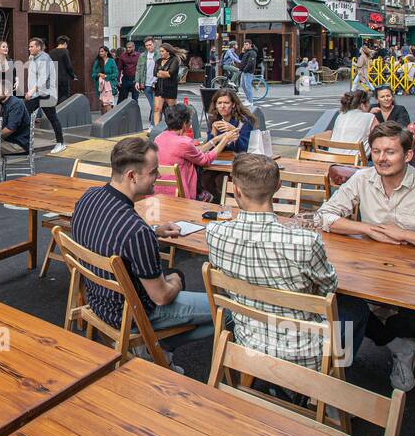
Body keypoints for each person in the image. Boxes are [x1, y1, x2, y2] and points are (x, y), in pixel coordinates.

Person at [316, 121, 415, 390]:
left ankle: (397, 343)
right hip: (372, 271)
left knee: (413, 320)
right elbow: (324, 216)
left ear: (408, 155)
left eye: (390, 152)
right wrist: (367, 228)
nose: (381, 158)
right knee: (342, 304)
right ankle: (395, 351)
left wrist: (404, 234)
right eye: (376, 151)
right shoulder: (363, 178)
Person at [205, 153, 368, 370]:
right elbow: (328, 289)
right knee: (356, 309)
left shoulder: (214, 233)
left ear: (236, 189)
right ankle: (332, 379)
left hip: (247, 340)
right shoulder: (305, 242)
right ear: (278, 186)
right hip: (304, 351)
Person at [69, 136, 211, 367]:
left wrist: (154, 230)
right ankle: (155, 347)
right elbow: (161, 296)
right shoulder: (136, 232)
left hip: (98, 301)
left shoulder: (88, 197)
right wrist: (175, 280)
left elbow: (109, 234)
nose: (159, 177)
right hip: (132, 313)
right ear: (132, 176)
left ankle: (155, 345)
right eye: (154, 172)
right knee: (226, 310)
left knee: (177, 279)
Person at [153, 102, 229, 201]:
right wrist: (225, 140)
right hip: (180, 193)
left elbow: (194, 151)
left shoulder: (159, 138)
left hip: (158, 191)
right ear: (185, 124)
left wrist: (215, 140)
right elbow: (205, 160)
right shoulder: (184, 143)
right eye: (190, 120)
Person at [24, 37, 66, 153]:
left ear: (38, 47)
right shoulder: (35, 58)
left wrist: (31, 91)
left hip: (46, 94)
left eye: (31, 46)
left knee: (52, 118)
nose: (29, 48)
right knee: (25, 113)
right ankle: (25, 142)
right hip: (38, 94)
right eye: (29, 46)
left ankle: (60, 143)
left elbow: (43, 78)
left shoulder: (44, 59)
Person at [207, 88, 254, 153]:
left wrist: (234, 131)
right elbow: (210, 149)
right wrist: (213, 132)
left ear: (233, 105)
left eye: (226, 103)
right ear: (216, 105)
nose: (222, 106)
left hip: (237, 159)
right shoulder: (214, 119)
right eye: (219, 103)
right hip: (219, 158)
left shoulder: (243, 121)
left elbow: (244, 149)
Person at [153, 41, 182, 123]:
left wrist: (161, 72)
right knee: (157, 108)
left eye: (162, 51)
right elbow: (155, 73)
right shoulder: (158, 61)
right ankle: (156, 129)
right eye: (160, 51)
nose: (161, 53)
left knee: (171, 110)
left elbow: (170, 73)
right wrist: (164, 73)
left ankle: (173, 127)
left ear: (168, 51)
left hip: (170, 87)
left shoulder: (174, 60)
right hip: (159, 87)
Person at [0, 90, 31, 155]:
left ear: (6, 91)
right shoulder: (6, 102)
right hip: (11, 139)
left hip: (19, 143)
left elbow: (10, 129)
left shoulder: (15, 104)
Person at [136, 37, 157, 125]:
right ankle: (157, 124)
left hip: (156, 84)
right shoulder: (142, 56)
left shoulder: (159, 54)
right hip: (146, 84)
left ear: (154, 44)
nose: (148, 47)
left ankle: (153, 125)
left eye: (150, 45)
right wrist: (137, 81)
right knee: (154, 107)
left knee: (155, 107)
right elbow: (138, 69)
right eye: (146, 45)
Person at [92, 45, 117, 114]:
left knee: (108, 103)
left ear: (106, 52)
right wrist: (98, 75)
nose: (100, 53)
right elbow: (93, 74)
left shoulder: (111, 61)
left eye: (102, 51)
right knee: (103, 104)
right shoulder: (97, 61)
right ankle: (103, 119)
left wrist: (106, 76)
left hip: (109, 85)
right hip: (101, 86)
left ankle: (109, 119)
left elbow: (115, 74)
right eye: (100, 51)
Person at [51, 34, 76, 103]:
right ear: (65, 43)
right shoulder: (64, 51)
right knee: (64, 96)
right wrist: (72, 75)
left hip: (54, 79)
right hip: (63, 78)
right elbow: (69, 65)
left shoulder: (51, 52)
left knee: (56, 96)